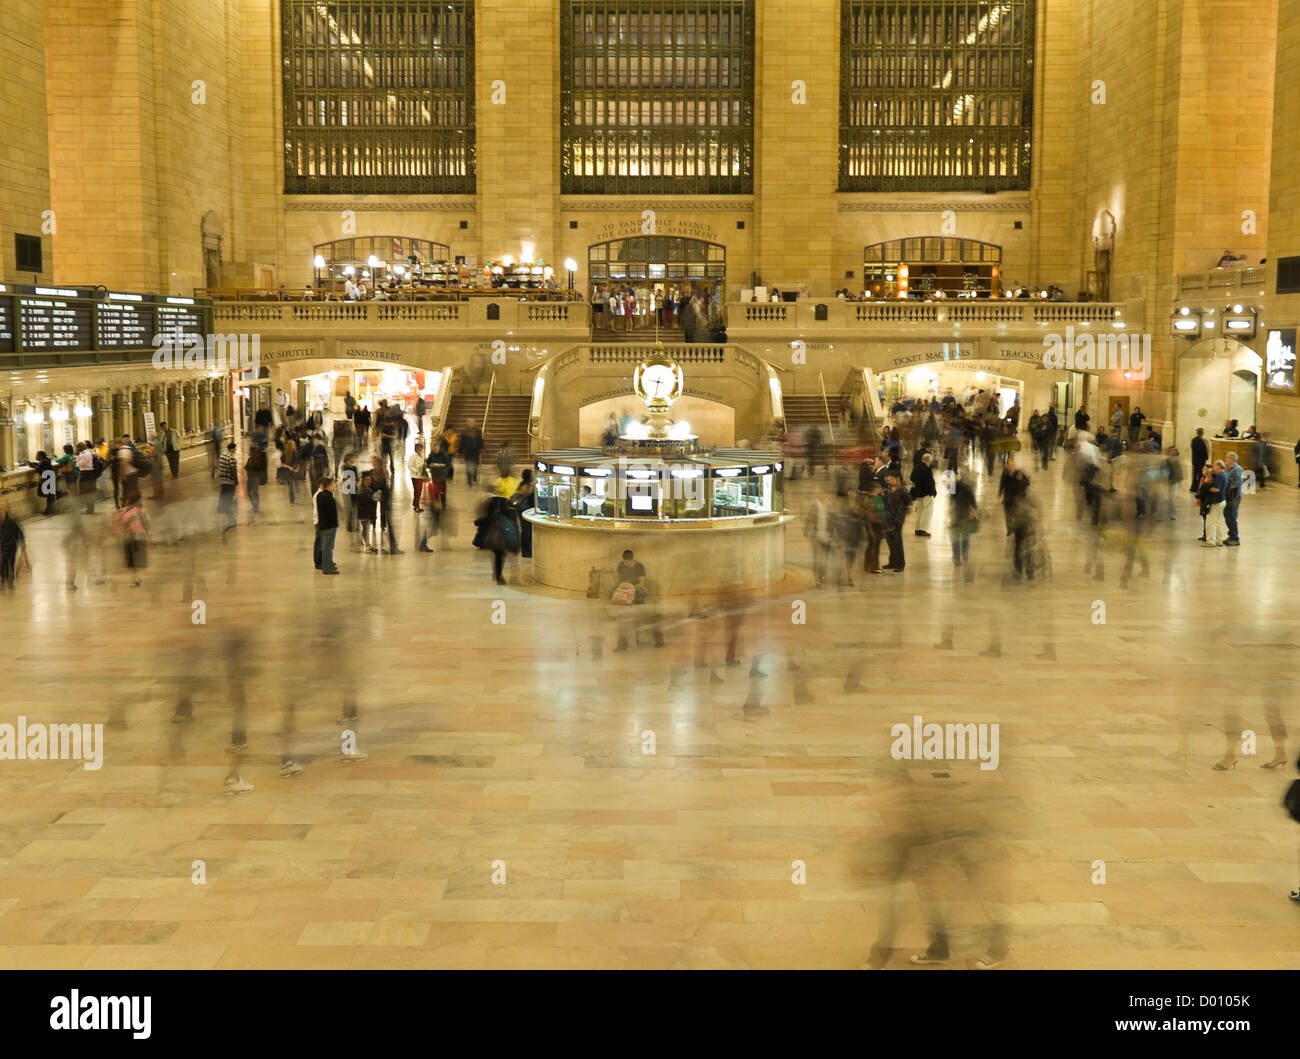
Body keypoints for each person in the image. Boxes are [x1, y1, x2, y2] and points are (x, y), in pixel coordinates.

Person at [114, 489, 150, 588]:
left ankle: (136, 578)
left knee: (133, 562)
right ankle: (135, 579)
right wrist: (150, 535)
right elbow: (147, 524)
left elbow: (118, 525)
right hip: (138, 538)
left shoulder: (122, 511)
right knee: (136, 561)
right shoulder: (141, 510)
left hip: (127, 539)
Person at [882, 472, 912, 572]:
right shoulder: (890, 490)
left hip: (897, 520)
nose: (889, 482)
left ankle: (900, 564)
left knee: (897, 542)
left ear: (897, 479)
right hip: (888, 519)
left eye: (891, 479)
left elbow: (909, 504)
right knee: (890, 541)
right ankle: (892, 562)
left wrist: (902, 515)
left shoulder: (903, 490)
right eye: (888, 480)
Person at [313, 476, 340, 574]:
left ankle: (327, 564)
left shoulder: (323, 495)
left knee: (326, 546)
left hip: (324, 524)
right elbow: (328, 512)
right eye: (332, 484)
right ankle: (326, 567)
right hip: (328, 525)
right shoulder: (324, 496)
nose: (333, 486)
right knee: (326, 546)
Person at [909, 452, 937, 538]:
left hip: (918, 493)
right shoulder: (927, 468)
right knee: (927, 512)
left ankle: (917, 529)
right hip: (926, 494)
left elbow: (911, 478)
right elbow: (929, 482)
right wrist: (933, 492)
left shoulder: (916, 467)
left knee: (920, 512)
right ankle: (923, 530)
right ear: (929, 460)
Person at [1202, 459, 1228, 546]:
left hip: (1217, 501)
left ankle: (1211, 541)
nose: (1213, 466)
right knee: (1216, 522)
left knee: (1211, 523)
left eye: (1214, 465)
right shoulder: (1223, 474)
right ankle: (1218, 540)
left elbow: (1217, 489)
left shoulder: (1220, 476)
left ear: (1219, 466)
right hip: (1222, 501)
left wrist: (1206, 487)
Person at [0, 502, 25, 591]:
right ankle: (3, 582)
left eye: (1, 509)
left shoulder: (12, 523)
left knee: (10, 565)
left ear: (5, 510)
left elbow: (20, 535)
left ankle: (10, 582)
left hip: (11, 548)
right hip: (2, 548)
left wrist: (22, 549)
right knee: (3, 566)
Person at [511, 469, 536, 559]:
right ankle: (526, 551)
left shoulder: (522, 484)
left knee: (526, 531)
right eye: (532, 475)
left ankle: (527, 550)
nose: (533, 476)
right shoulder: (528, 487)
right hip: (525, 511)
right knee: (526, 531)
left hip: (522, 511)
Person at [1223, 451, 1244, 546]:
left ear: (1232, 459)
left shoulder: (1237, 469)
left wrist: (1229, 487)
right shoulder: (1229, 468)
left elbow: (1239, 481)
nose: (1225, 459)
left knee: (1231, 517)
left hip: (1234, 497)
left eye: (1227, 458)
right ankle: (1231, 535)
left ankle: (1235, 538)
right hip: (1228, 496)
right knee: (1227, 516)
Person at [217, 441, 239, 531]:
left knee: (224, 497)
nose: (235, 451)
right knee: (229, 500)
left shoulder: (222, 455)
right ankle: (232, 520)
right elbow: (233, 471)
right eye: (234, 449)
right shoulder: (232, 458)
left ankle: (221, 508)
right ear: (232, 449)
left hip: (223, 481)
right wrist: (236, 481)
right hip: (230, 482)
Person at [460, 419, 484, 486]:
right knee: (468, 466)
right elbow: (462, 442)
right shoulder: (464, 432)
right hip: (468, 452)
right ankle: (469, 480)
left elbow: (480, 440)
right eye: (469, 422)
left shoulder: (478, 431)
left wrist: (482, 448)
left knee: (475, 466)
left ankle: (474, 477)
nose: (471, 424)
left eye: (472, 422)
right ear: (467, 424)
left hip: (476, 452)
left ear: (474, 423)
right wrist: (461, 450)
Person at [409, 440, 429, 514]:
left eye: (421, 448)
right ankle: (417, 506)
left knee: (419, 491)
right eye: (419, 448)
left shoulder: (422, 456)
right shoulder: (413, 456)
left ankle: (416, 505)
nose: (420, 450)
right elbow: (409, 465)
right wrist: (416, 471)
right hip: (415, 476)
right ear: (416, 449)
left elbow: (423, 464)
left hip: (420, 476)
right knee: (417, 491)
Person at [1190, 428, 1208, 493]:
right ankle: (1198, 487)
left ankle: (1193, 487)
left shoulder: (1193, 440)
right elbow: (1203, 451)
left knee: (1195, 475)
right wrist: (1206, 458)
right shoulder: (1201, 441)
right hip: (1200, 461)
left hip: (1195, 461)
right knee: (1200, 475)